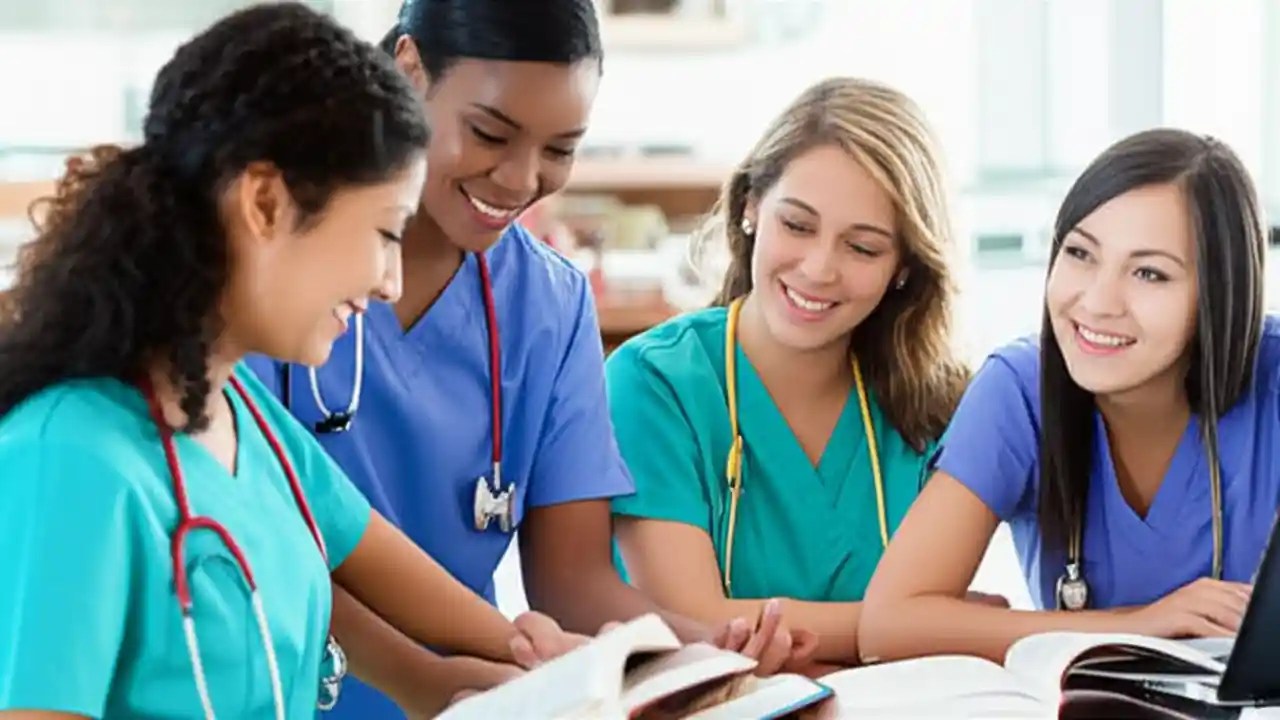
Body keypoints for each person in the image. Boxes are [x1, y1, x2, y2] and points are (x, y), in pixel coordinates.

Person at [0, 5, 584, 718]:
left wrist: (558, 668)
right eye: (382, 233)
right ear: (266, 204)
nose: (390, 281)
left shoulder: (255, 429)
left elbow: (409, 591)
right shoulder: (69, 456)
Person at [243, 1, 802, 717]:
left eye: (560, 149)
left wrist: (701, 652)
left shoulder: (549, 302)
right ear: (410, 71)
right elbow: (274, 545)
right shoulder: (262, 273)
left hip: (486, 697)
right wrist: (423, 678)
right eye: (489, 134)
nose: (519, 179)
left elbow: (571, 584)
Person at [604, 76, 1000, 668]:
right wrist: (928, 625)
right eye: (797, 225)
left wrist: (943, 625)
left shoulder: (941, 407)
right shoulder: (654, 383)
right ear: (750, 208)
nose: (818, 269)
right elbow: (698, 622)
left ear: (903, 268)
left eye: (862, 248)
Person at [858, 128, 1277, 665]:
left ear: (1220, 293)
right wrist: (1137, 626)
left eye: (1150, 273)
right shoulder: (1019, 391)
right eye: (1080, 253)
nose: (1098, 302)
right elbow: (888, 624)